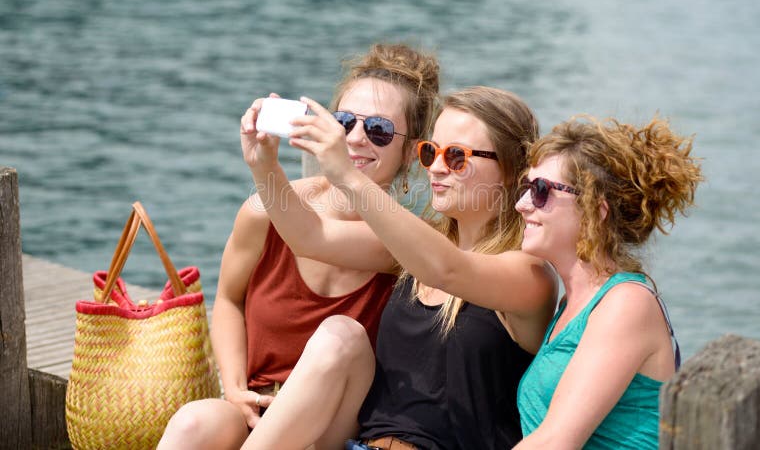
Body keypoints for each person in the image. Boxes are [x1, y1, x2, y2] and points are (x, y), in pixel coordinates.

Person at [239, 86, 558, 450]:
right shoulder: (419, 248)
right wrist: (263, 164)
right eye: (430, 152)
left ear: (509, 170)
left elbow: (449, 271)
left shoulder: (530, 276)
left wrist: (346, 173)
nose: (436, 167)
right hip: (362, 444)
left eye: (456, 156)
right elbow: (311, 237)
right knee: (340, 335)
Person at [157, 43, 440, 450]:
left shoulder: (403, 241)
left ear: (411, 151)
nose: (356, 138)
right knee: (192, 423)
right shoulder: (263, 213)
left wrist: (266, 169)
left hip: (336, 426)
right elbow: (228, 299)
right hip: (260, 407)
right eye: (343, 122)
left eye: (378, 130)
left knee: (341, 336)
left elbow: (312, 239)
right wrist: (235, 387)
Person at [512, 116, 703, 449]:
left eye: (541, 191)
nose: (522, 204)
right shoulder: (573, 305)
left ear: (594, 211)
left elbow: (554, 442)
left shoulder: (625, 304)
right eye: (526, 188)